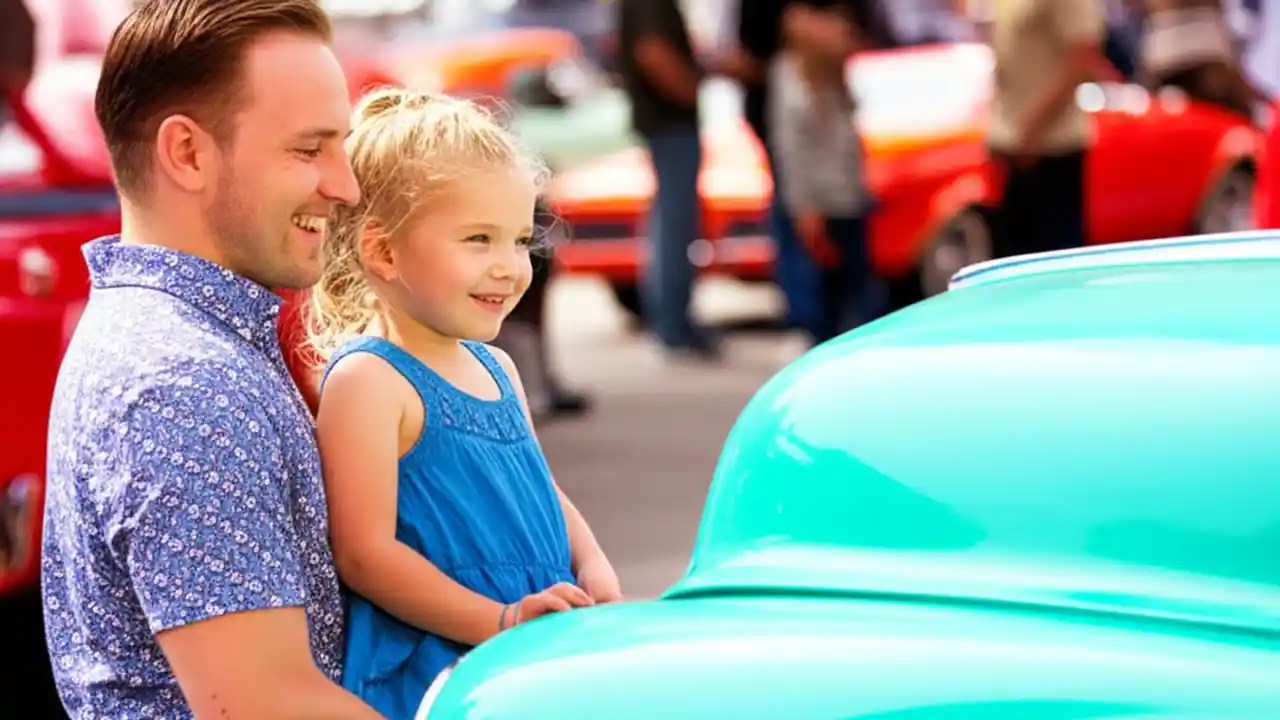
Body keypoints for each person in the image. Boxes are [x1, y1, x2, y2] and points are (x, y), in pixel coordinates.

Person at [40, 1, 384, 717]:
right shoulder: (186, 383)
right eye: (308, 148)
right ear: (188, 153)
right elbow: (268, 705)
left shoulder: (169, 339)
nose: (346, 186)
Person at [306, 88, 622, 720]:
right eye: (478, 239)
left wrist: (592, 562)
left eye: (519, 240)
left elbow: (539, 487)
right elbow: (364, 553)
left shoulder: (496, 367)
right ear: (384, 251)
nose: (509, 267)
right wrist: (497, 621)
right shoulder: (371, 380)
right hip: (441, 665)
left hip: (528, 642)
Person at [769, 1, 883, 344]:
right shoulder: (791, 75)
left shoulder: (834, 76)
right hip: (821, 202)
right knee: (823, 294)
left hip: (849, 197)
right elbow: (791, 148)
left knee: (857, 289)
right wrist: (804, 206)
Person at [617, 0, 720, 360]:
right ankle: (673, 324)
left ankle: (672, 321)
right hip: (669, 121)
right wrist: (691, 89)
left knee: (670, 222)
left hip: (664, 120)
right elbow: (654, 53)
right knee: (674, 224)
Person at [987, 0, 1106, 258]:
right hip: (1015, 143)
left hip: (1051, 147)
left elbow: (1081, 53)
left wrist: (1032, 129)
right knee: (1015, 257)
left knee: (1054, 256)